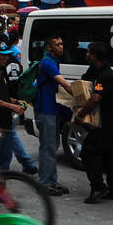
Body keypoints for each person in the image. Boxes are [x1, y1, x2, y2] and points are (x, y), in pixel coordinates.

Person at [75, 42, 113, 204]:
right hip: (109, 119)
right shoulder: (95, 70)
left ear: (94, 56)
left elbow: (95, 97)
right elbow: (84, 82)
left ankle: (98, 187)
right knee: (110, 154)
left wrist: (80, 115)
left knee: (89, 152)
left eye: (88, 52)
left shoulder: (106, 74)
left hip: (108, 120)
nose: (86, 54)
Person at [0, 41, 36, 173]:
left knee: (5, 160)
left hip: (6, 124)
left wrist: (17, 101)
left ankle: (1, 187)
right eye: (3, 55)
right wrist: (12, 106)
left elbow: (2, 95)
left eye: (7, 54)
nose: (6, 57)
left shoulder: (2, 71)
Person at [34, 34, 73, 196]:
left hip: (52, 109)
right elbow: (64, 83)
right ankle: (45, 183)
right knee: (48, 147)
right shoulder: (48, 63)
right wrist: (82, 96)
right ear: (49, 47)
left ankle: (52, 181)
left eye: (62, 44)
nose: (61, 47)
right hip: (45, 110)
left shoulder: (53, 61)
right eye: (57, 45)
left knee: (52, 146)